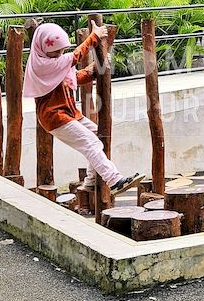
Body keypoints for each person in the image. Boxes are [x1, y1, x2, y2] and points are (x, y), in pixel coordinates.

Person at [23, 23, 143, 196]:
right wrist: (94, 37)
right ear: (42, 47)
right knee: (91, 142)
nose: (59, 54)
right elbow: (75, 57)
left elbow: (74, 77)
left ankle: (91, 181)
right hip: (55, 117)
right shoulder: (41, 64)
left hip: (70, 113)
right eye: (55, 51)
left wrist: (94, 70)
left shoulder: (53, 63)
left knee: (98, 135)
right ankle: (114, 180)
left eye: (61, 50)